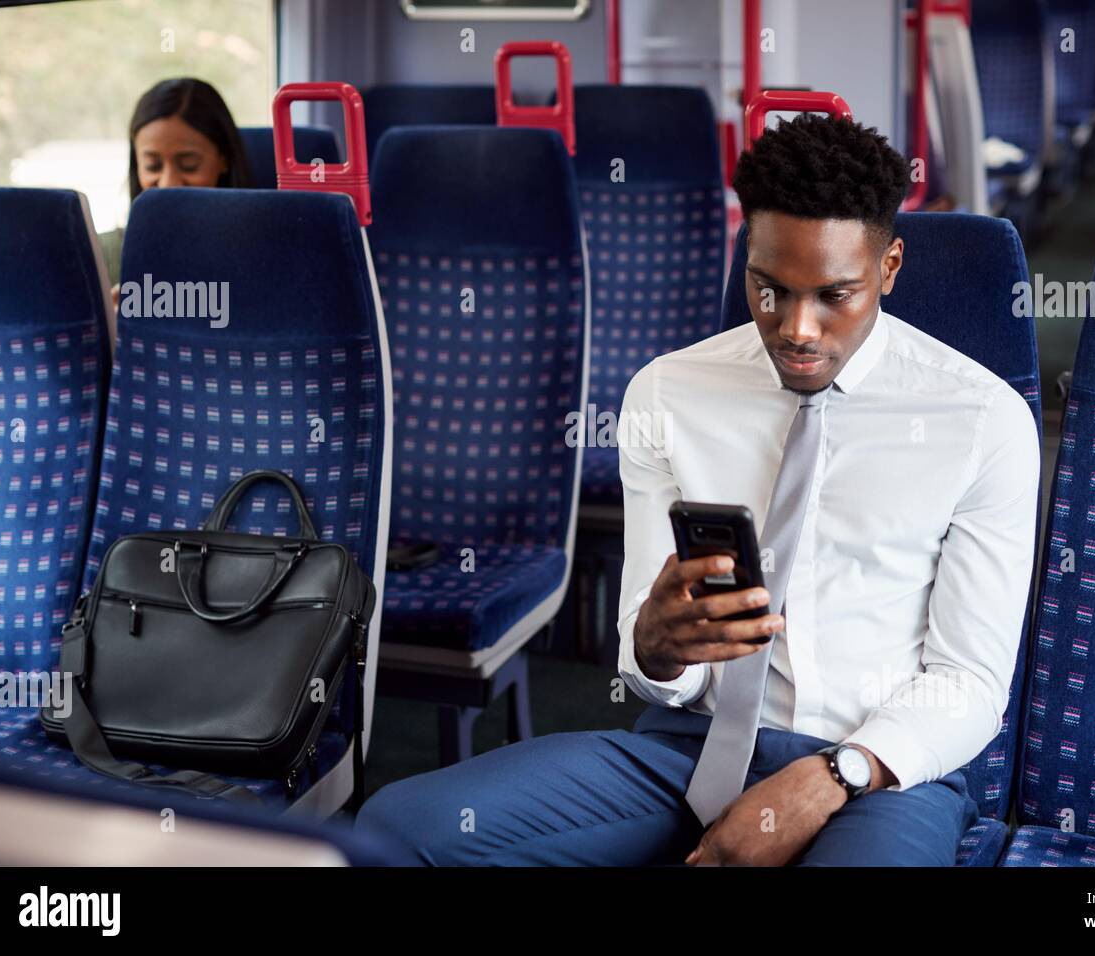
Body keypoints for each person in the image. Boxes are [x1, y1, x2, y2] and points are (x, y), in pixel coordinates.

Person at [355, 115, 1042, 866]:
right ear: (744, 256)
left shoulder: (982, 421)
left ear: (890, 266)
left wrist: (830, 777)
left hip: (881, 773)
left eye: (834, 295)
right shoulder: (669, 394)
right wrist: (656, 649)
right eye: (769, 289)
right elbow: (650, 669)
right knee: (400, 830)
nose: (798, 328)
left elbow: (968, 682)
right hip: (692, 750)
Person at [99, 77, 251, 289]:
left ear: (224, 160)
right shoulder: (102, 255)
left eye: (189, 165)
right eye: (153, 166)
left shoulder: (259, 254)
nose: (168, 184)